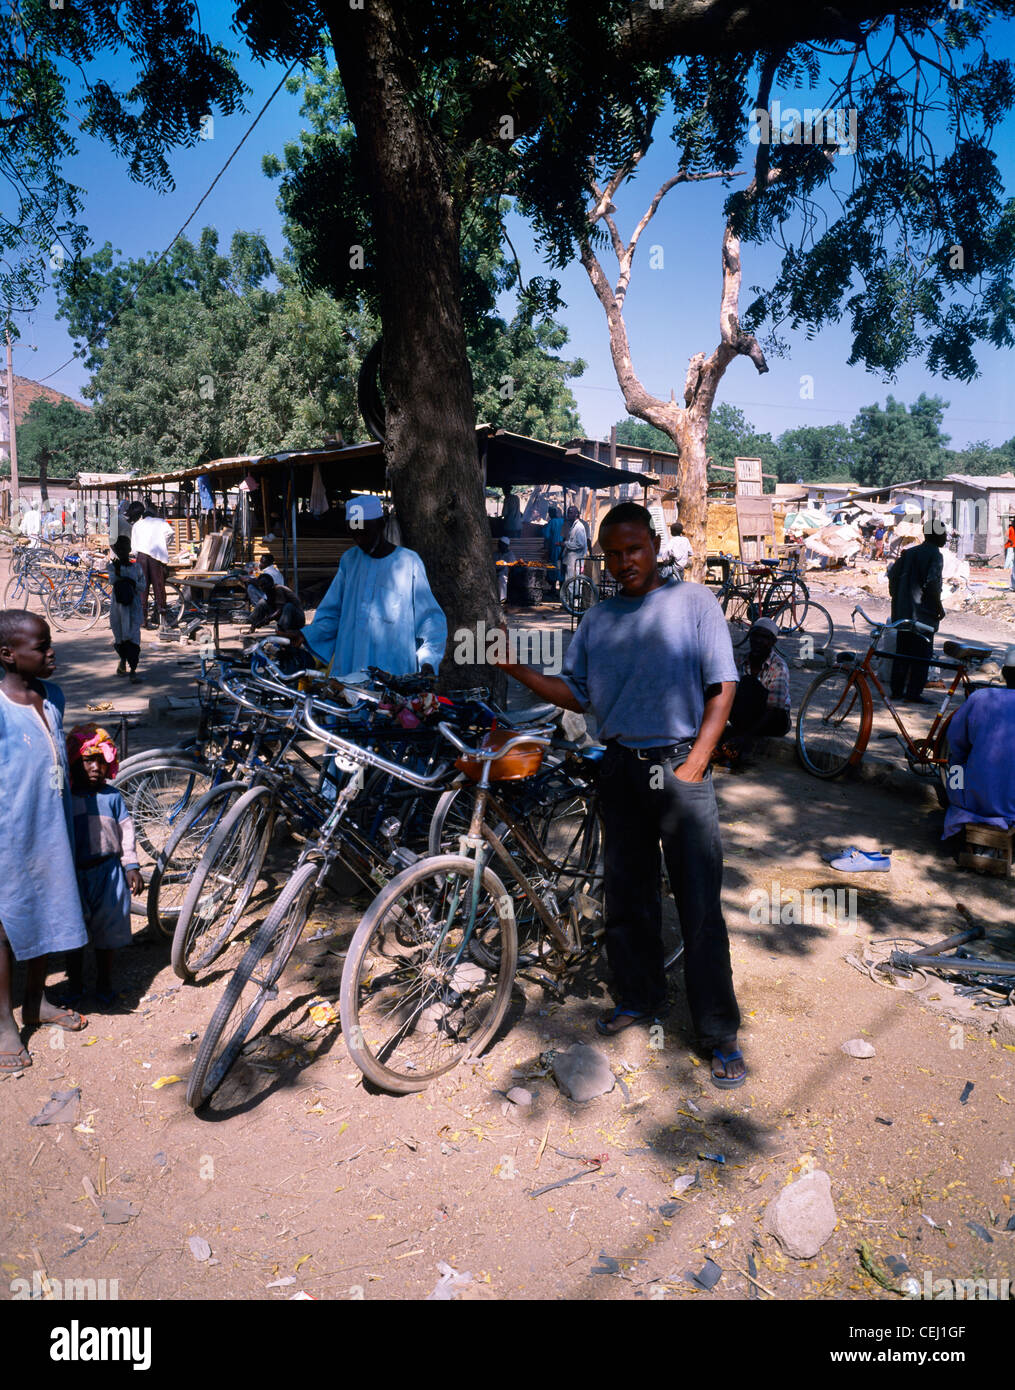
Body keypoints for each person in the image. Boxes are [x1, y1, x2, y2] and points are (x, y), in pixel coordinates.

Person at [496, 502, 745, 1088]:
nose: (623, 562)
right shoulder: (599, 619)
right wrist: (517, 670)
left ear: (654, 546)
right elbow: (577, 693)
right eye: (612, 553)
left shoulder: (694, 603)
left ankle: (718, 1032)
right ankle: (640, 996)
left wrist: (699, 759)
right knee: (628, 895)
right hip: (621, 769)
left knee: (699, 903)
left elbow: (724, 684)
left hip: (681, 767)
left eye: (633, 549)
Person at [0, 611, 89, 1070]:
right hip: (8, 835)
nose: (51, 651)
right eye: (41, 646)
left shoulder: (53, 696)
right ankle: (3, 1022)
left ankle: (36, 1002)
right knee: (5, 927)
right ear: (8, 655)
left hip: (50, 826)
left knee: (48, 910)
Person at [298, 494, 447, 678]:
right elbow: (332, 615)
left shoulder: (409, 563)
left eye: (365, 533)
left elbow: (430, 621)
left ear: (381, 524)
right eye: (355, 534)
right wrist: (306, 635)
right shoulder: (349, 561)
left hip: (393, 674)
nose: (360, 540)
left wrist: (428, 662)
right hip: (349, 670)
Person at [63, 726, 143, 1007]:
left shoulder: (113, 798)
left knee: (107, 931)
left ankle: (104, 983)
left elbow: (127, 834)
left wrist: (131, 865)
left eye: (100, 761)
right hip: (73, 874)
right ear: (75, 761)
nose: (95, 767)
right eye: (88, 760)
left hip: (109, 873)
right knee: (73, 931)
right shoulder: (65, 799)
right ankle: (74, 985)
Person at [942, 646, 1015, 840]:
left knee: (956, 766)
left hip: (973, 802)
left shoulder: (980, 698)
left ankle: (958, 803)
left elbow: (956, 744)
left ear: (1005, 674)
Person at [886, 519, 947, 703]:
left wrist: (897, 599)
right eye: (943, 534)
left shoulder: (910, 553)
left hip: (903, 612)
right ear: (936, 536)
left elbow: (893, 576)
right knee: (921, 656)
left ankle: (897, 691)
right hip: (922, 616)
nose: (945, 538)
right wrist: (939, 609)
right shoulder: (935, 556)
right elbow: (933, 585)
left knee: (902, 653)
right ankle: (913, 693)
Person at [719, 617, 791, 764]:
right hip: (748, 716)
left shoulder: (778, 667)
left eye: (764, 637)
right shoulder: (740, 660)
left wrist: (746, 737)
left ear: (773, 642)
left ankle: (743, 739)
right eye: (755, 635)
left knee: (748, 683)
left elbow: (775, 709)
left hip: (775, 720)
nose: (758, 641)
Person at [130, 504, 174, 628]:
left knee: (142, 590)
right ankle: (162, 616)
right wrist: (164, 544)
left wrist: (137, 555)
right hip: (156, 558)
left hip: (142, 558)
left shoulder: (137, 525)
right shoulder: (161, 522)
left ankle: (143, 620)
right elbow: (171, 534)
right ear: (154, 516)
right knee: (159, 587)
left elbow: (133, 546)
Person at [107, 536, 144, 683]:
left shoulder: (137, 567)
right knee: (120, 636)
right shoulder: (112, 567)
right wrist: (118, 573)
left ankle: (133, 670)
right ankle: (123, 661)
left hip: (133, 607)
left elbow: (142, 586)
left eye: (124, 548)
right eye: (119, 549)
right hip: (118, 609)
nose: (122, 551)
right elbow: (113, 581)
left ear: (129, 550)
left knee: (133, 638)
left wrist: (129, 582)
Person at [561, 504, 589, 585]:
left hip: (575, 561)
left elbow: (580, 544)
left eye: (570, 512)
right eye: (568, 513)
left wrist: (565, 544)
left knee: (573, 584)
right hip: (570, 560)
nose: (568, 515)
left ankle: (575, 598)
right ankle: (570, 598)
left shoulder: (579, 527)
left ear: (576, 514)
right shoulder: (573, 526)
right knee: (569, 583)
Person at [544, 504, 565, 592]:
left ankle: (553, 588)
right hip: (563, 546)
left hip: (554, 547)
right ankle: (561, 587)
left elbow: (546, 535)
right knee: (562, 567)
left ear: (550, 514)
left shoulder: (551, 522)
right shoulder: (563, 521)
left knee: (553, 566)